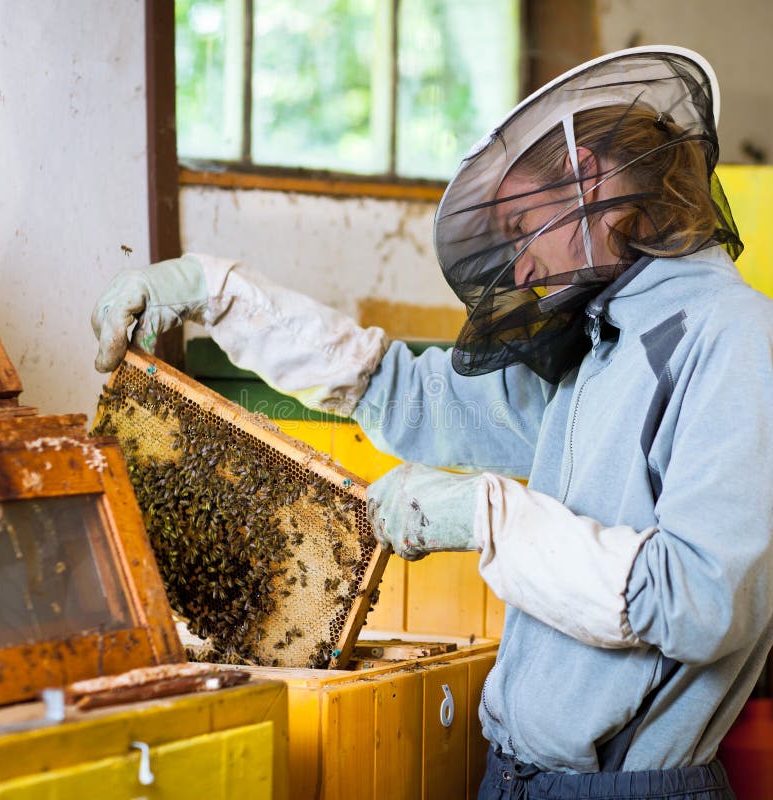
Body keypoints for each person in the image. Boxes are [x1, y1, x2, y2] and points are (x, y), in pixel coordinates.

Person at [92, 46, 773, 799]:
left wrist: (489, 514)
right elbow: (403, 394)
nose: (520, 269)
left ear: (588, 177)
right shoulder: (596, 349)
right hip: (515, 776)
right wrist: (214, 293)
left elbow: (705, 602)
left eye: (522, 226)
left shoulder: (737, 339)